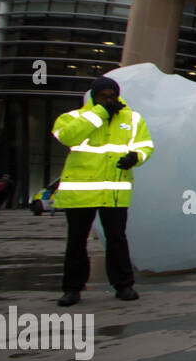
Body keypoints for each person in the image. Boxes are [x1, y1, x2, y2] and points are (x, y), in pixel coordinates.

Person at [51, 77, 154, 306]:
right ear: (93, 97)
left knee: (117, 238)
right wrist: (99, 113)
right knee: (76, 241)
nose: (108, 100)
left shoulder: (132, 119)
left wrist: (135, 157)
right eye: (102, 96)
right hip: (80, 192)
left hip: (114, 191)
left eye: (112, 96)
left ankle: (124, 285)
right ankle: (72, 289)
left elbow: (145, 145)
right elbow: (67, 136)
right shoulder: (74, 117)